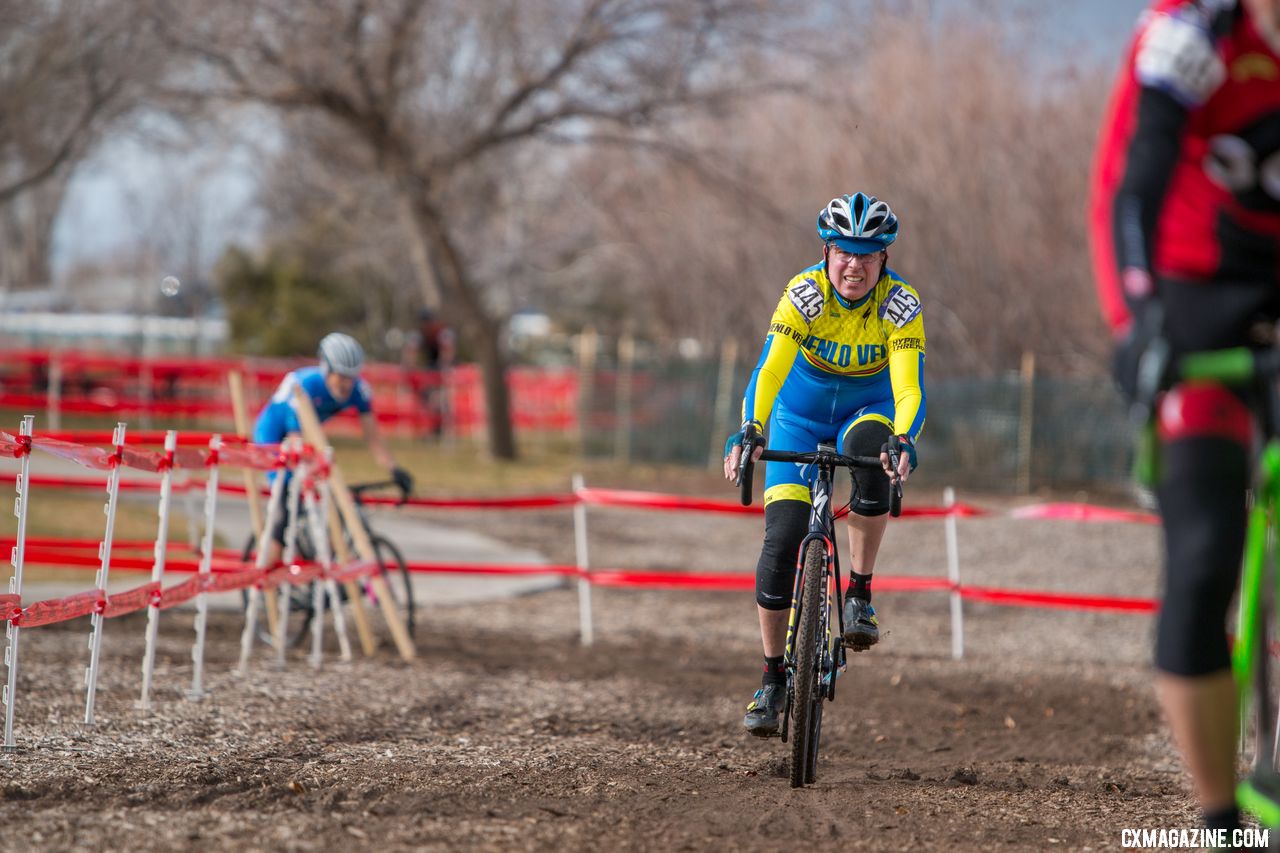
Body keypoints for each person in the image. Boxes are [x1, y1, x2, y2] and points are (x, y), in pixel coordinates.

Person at [1088, 0, 1280, 836]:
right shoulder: (1194, 30)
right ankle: (1216, 815)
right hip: (1193, 297)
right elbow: (1135, 180)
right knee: (1204, 560)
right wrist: (1140, 321)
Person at [723, 192, 925, 737]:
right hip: (797, 419)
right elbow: (767, 372)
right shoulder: (804, 294)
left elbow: (909, 388)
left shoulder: (899, 305)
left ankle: (859, 592)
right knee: (781, 540)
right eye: (843, 251)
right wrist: (752, 427)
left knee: (875, 454)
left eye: (868, 254)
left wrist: (904, 437)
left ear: (884, 258)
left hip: (867, 412)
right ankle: (772, 678)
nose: (854, 264)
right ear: (826, 250)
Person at [252, 332, 415, 564]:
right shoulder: (303, 385)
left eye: (352, 377)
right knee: (288, 498)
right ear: (326, 369)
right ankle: (268, 561)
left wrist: (394, 469)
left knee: (332, 497)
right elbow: (298, 437)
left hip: (308, 433)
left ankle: (325, 557)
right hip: (273, 435)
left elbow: (373, 437)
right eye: (341, 378)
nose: (347, 384)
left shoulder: (359, 390)